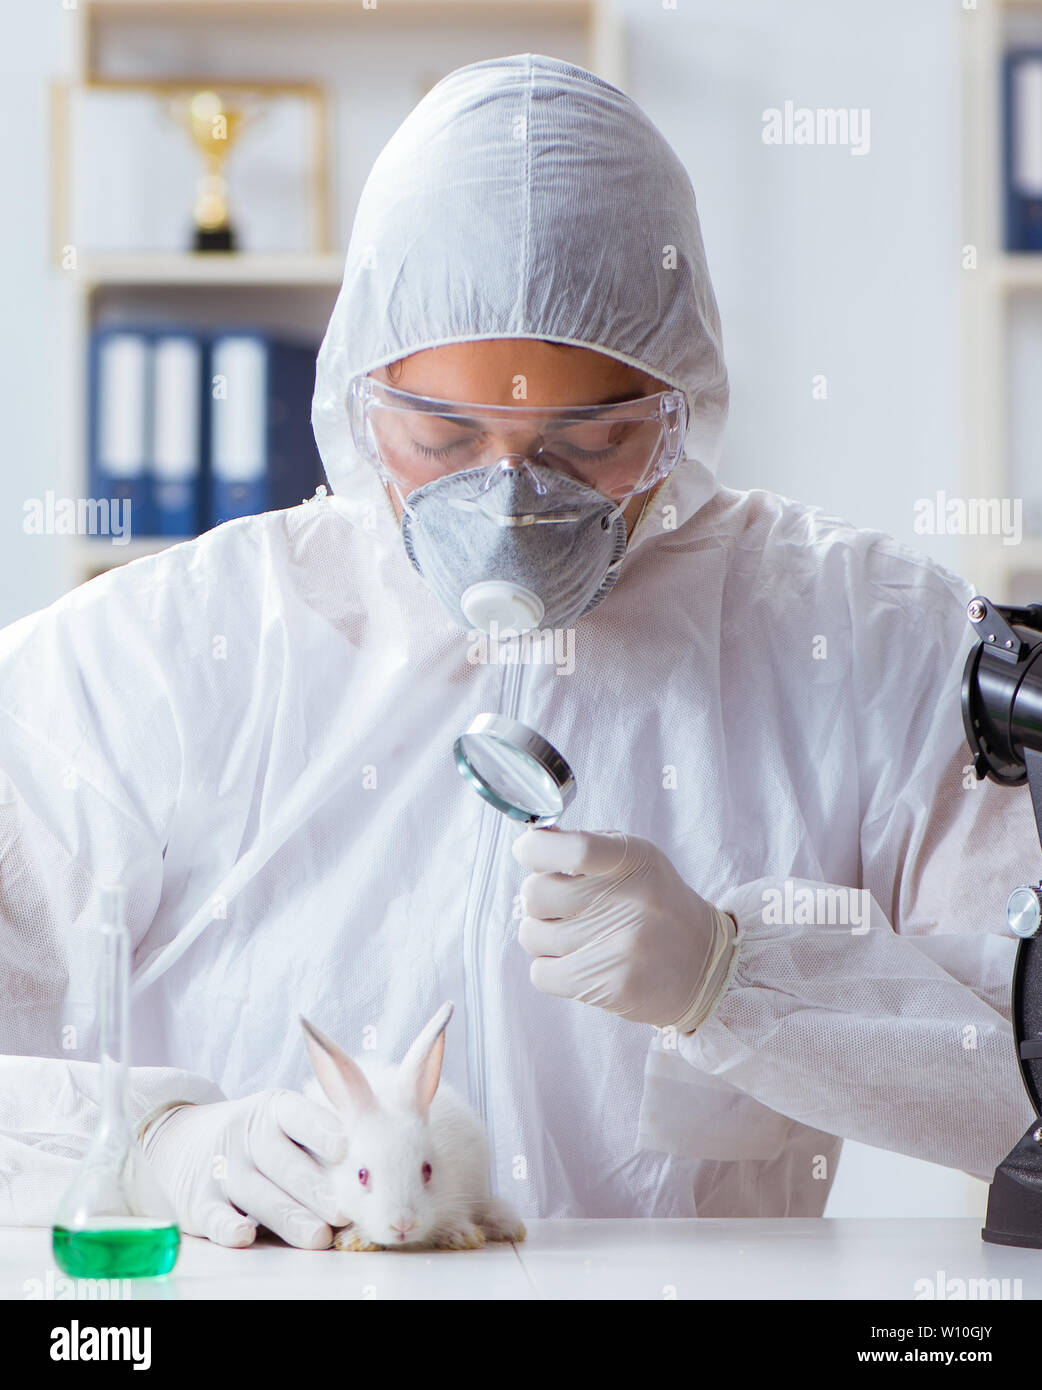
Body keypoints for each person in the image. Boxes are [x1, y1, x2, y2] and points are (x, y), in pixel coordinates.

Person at [0, 53, 1036, 1249]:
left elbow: (1017, 1069)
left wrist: (745, 977)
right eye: (440, 435)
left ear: (676, 404)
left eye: (584, 440)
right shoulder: (179, 648)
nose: (506, 501)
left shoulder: (861, 636)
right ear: (356, 398)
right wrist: (144, 1144)